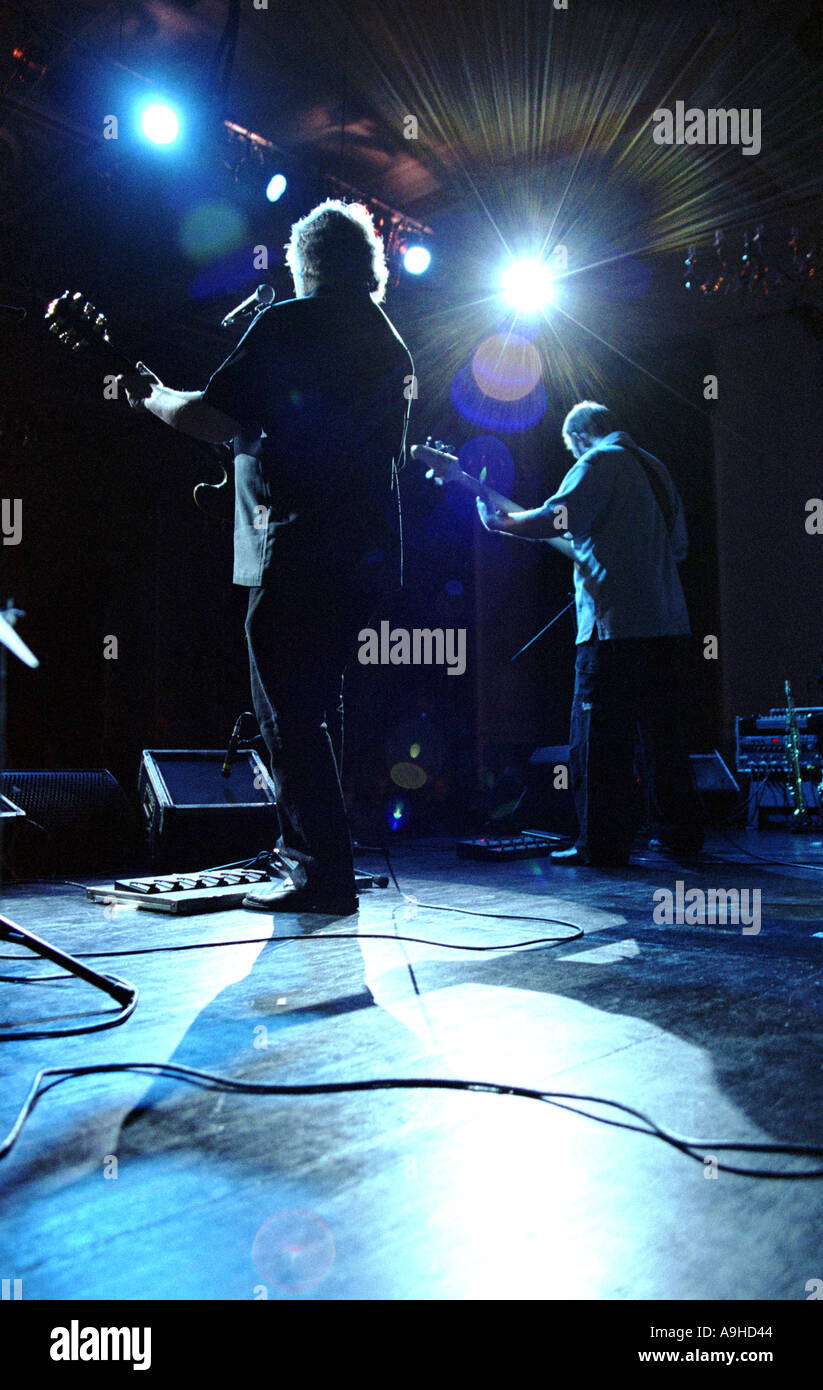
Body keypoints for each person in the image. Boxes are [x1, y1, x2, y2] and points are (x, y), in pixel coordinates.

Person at [119, 200, 414, 912]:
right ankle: (325, 861)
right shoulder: (389, 344)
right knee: (318, 709)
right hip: (367, 556)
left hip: (300, 547)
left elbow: (215, 417)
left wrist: (153, 399)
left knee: (288, 713)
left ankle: (318, 874)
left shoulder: (292, 321)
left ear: (304, 260)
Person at [477, 400, 703, 867]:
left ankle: (601, 844)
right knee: (665, 738)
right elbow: (679, 546)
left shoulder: (597, 461)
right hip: (668, 626)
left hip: (615, 627)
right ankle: (679, 835)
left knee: (599, 742)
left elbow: (557, 518)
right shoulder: (656, 468)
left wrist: (499, 523)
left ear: (580, 436)